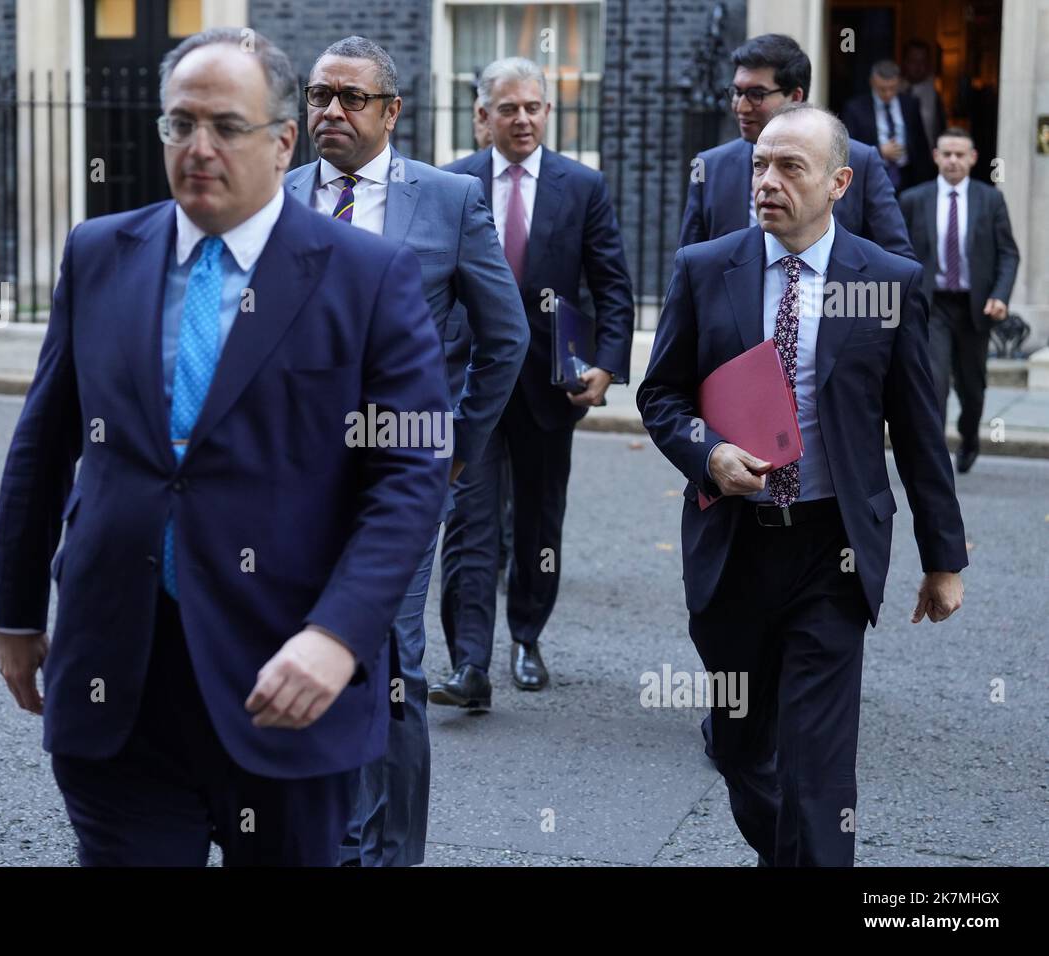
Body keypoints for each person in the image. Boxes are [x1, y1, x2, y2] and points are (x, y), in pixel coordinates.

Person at [0, 27, 451, 867]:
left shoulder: (366, 276)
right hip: (118, 670)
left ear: (282, 141)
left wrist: (338, 636)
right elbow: (44, 441)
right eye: (179, 124)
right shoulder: (99, 254)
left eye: (226, 127)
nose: (198, 148)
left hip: (285, 675)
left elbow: (409, 477)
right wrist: (15, 610)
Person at [637, 103, 968, 866]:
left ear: (838, 183)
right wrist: (709, 453)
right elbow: (661, 397)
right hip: (734, 547)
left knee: (818, 772)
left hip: (832, 550)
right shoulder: (705, 267)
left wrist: (943, 559)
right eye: (760, 164)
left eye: (791, 167)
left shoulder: (886, 282)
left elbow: (919, 430)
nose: (768, 181)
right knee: (742, 749)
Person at [284, 35, 528, 867]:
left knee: (389, 656)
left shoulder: (449, 200)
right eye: (320, 95)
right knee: (292, 642)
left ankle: (389, 854)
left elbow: (506, 337)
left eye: (352, 98)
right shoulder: (273, 197)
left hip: (398, 473)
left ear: (392, 111)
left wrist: (456, 446)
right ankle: (315, 835)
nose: (331, 112)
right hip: (285, 478)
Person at [432, 56, 634, 706]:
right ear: (482, 115)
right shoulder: (450, 184)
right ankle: (469, 666)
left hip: (553, 382)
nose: (523, 119)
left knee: (539, 522)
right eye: (508, 108)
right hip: (469, 381)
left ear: (548, 112)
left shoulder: (583, 187)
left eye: (534, 107)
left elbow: (612, 286)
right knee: (468, 520)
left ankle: (526, 636)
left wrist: (606, 364)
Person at [680, 34, 912, 259]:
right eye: (737, 92)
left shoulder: (860, 160)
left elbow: (898, 263)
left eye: (755, 94)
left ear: (796, 96)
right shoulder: (709, 166)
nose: (741, 106)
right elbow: (690, 268)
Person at [899, 127, 1020, 474]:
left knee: (973, 388)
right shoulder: (913, 199)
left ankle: (969, 438)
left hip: (975, 307)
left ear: (972, 158)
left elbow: (1008, 254)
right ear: (936, 156)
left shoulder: (990, 199)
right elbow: (897, 251)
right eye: (946, 154)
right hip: (932, 305)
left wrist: (1000, 295)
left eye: (960, 154)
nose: (953, 160)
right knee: (934, 383)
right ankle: (934, 458)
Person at [841, 60, 935, 193]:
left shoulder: (910, 104)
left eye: (892, 88)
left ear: (899, 83)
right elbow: (849, 146)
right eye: (882, 89)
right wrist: (879, 151)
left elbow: (921, 143)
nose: (888, 94)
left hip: (907, 176)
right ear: (872, 82)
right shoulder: (855, 109)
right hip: (871, 175)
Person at [902, 39, 947, 151]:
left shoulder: (934, 95)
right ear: (905, 62)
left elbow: (940, 130)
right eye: (913, 61)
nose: (918, 66)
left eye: (922, 61)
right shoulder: (891, 90)